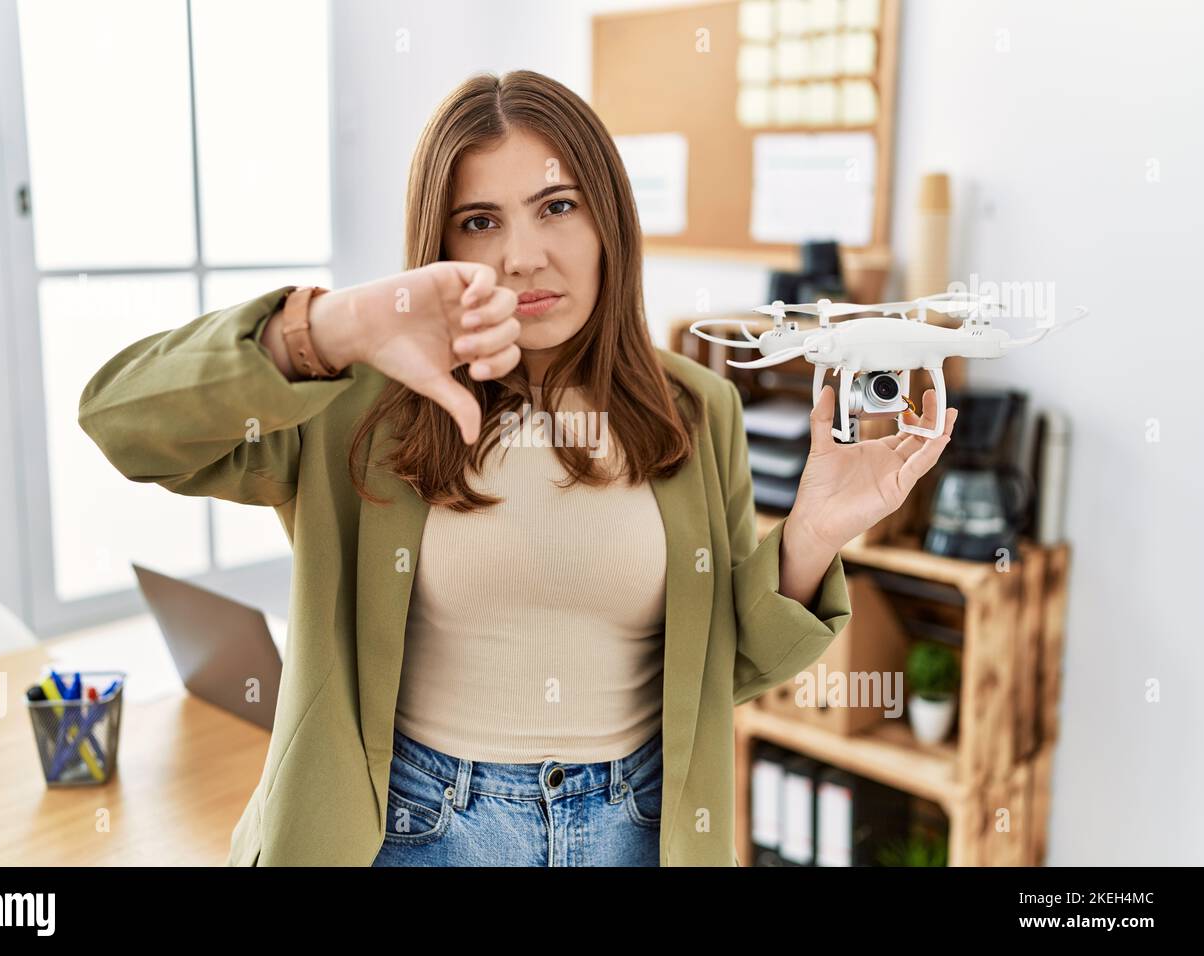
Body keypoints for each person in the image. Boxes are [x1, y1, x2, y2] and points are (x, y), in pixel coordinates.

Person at [78, 69, 956, 867]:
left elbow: (710, 673)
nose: (522, 256)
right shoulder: (358, 400)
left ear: (610, 218)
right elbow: (123, 421)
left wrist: (811, 535)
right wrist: (329, 328)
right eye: (480, 220)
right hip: (413, 829)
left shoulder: (696, 410)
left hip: (634, 833)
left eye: (558, 206)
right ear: (441, 239)